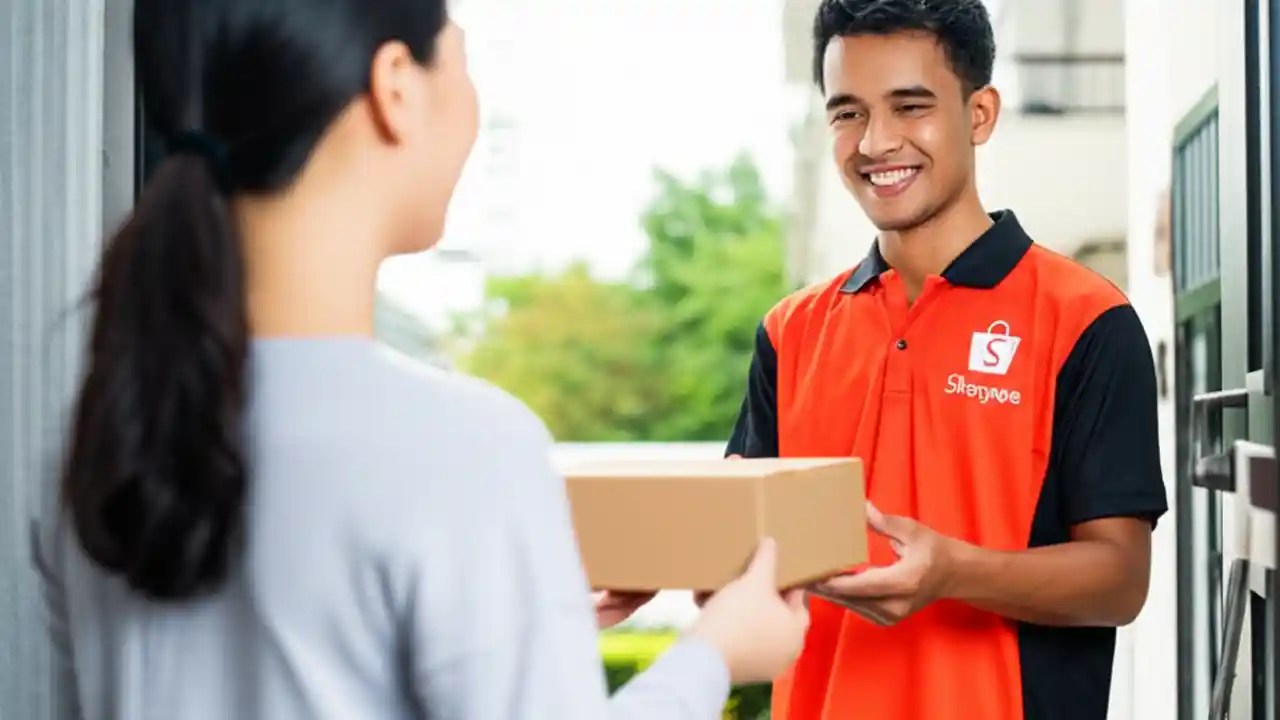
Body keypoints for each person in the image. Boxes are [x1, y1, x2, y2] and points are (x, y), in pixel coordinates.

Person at [30, 1, 810, 718]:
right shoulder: (463, 447)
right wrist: (715, 655)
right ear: (396, 87)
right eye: (460, 59)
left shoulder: (103, 437)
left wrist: (514, 606)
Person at [725, 1, 1168, 719]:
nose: (876, 142)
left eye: (910, 106)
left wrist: (955, 573)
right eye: (847, 113)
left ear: (981, 113)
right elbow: (743, 543)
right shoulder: (789, 331)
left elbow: (1120, 581)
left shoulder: (1087, 320)